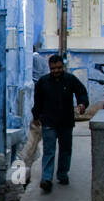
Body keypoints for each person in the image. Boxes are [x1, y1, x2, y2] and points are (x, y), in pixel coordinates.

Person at [32, 54, 88, 192]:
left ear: (62, 66)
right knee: (49, 151)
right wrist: (36, 116)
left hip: (66, 122)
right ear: (49, 68)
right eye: (53, 68)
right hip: (49, 123)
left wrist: (82, 104)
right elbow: (37, 101)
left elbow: (81, 92)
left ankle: (62, 175)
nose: (56, 71)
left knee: (65, 151)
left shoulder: (70, 80)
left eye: (58, 68)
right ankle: (46, 179)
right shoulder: (43, 82)